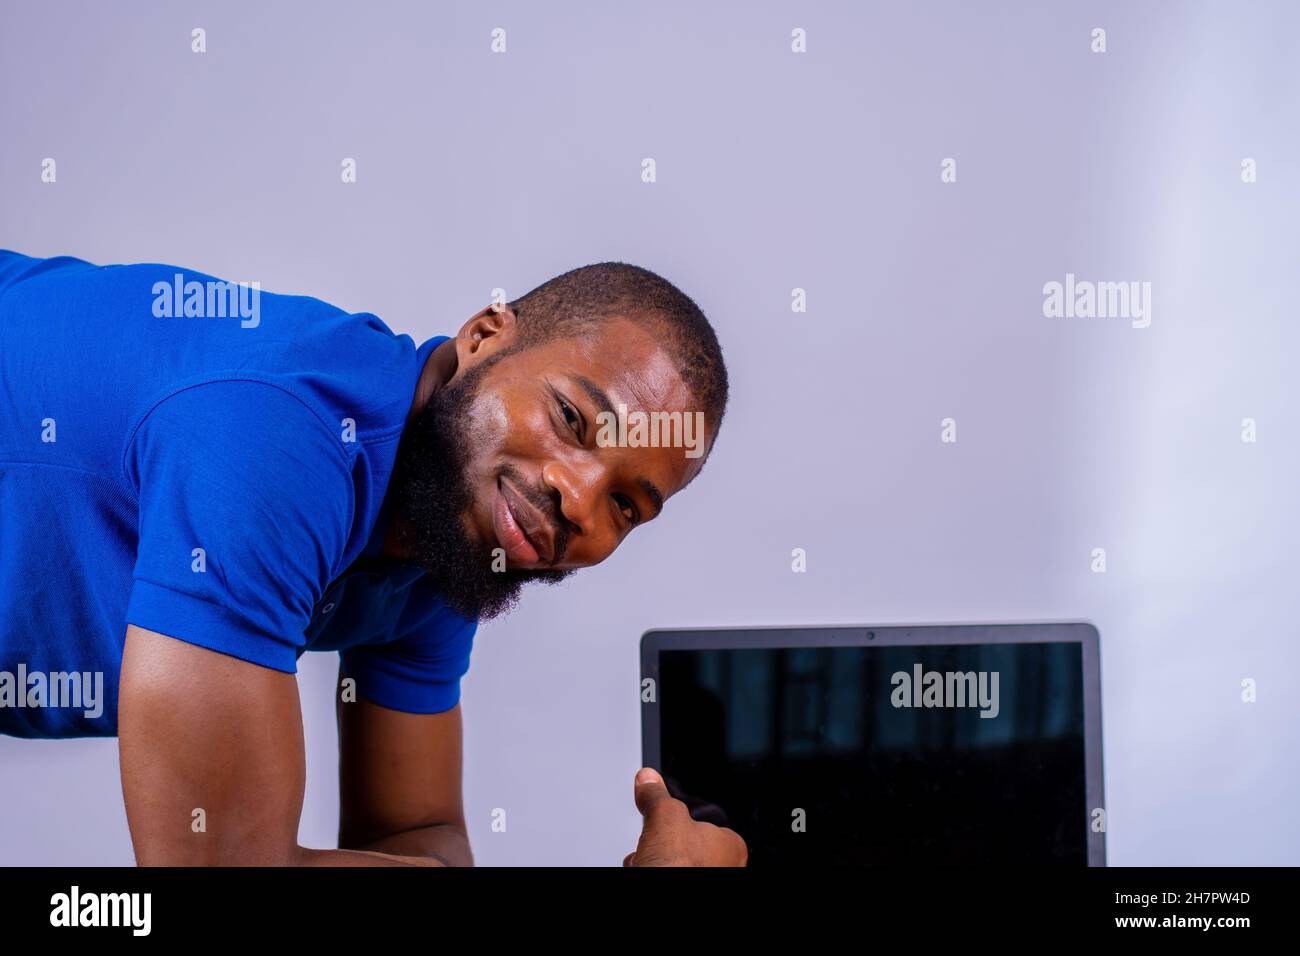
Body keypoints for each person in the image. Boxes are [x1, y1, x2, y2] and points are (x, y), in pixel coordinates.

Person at [0, 249, 746, 867]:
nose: (578, 500)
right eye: (574, 419)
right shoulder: (281, 439)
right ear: (485, 338)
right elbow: (218, 866)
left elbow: (417, 841)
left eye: (626, 505)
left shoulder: (448, 533)